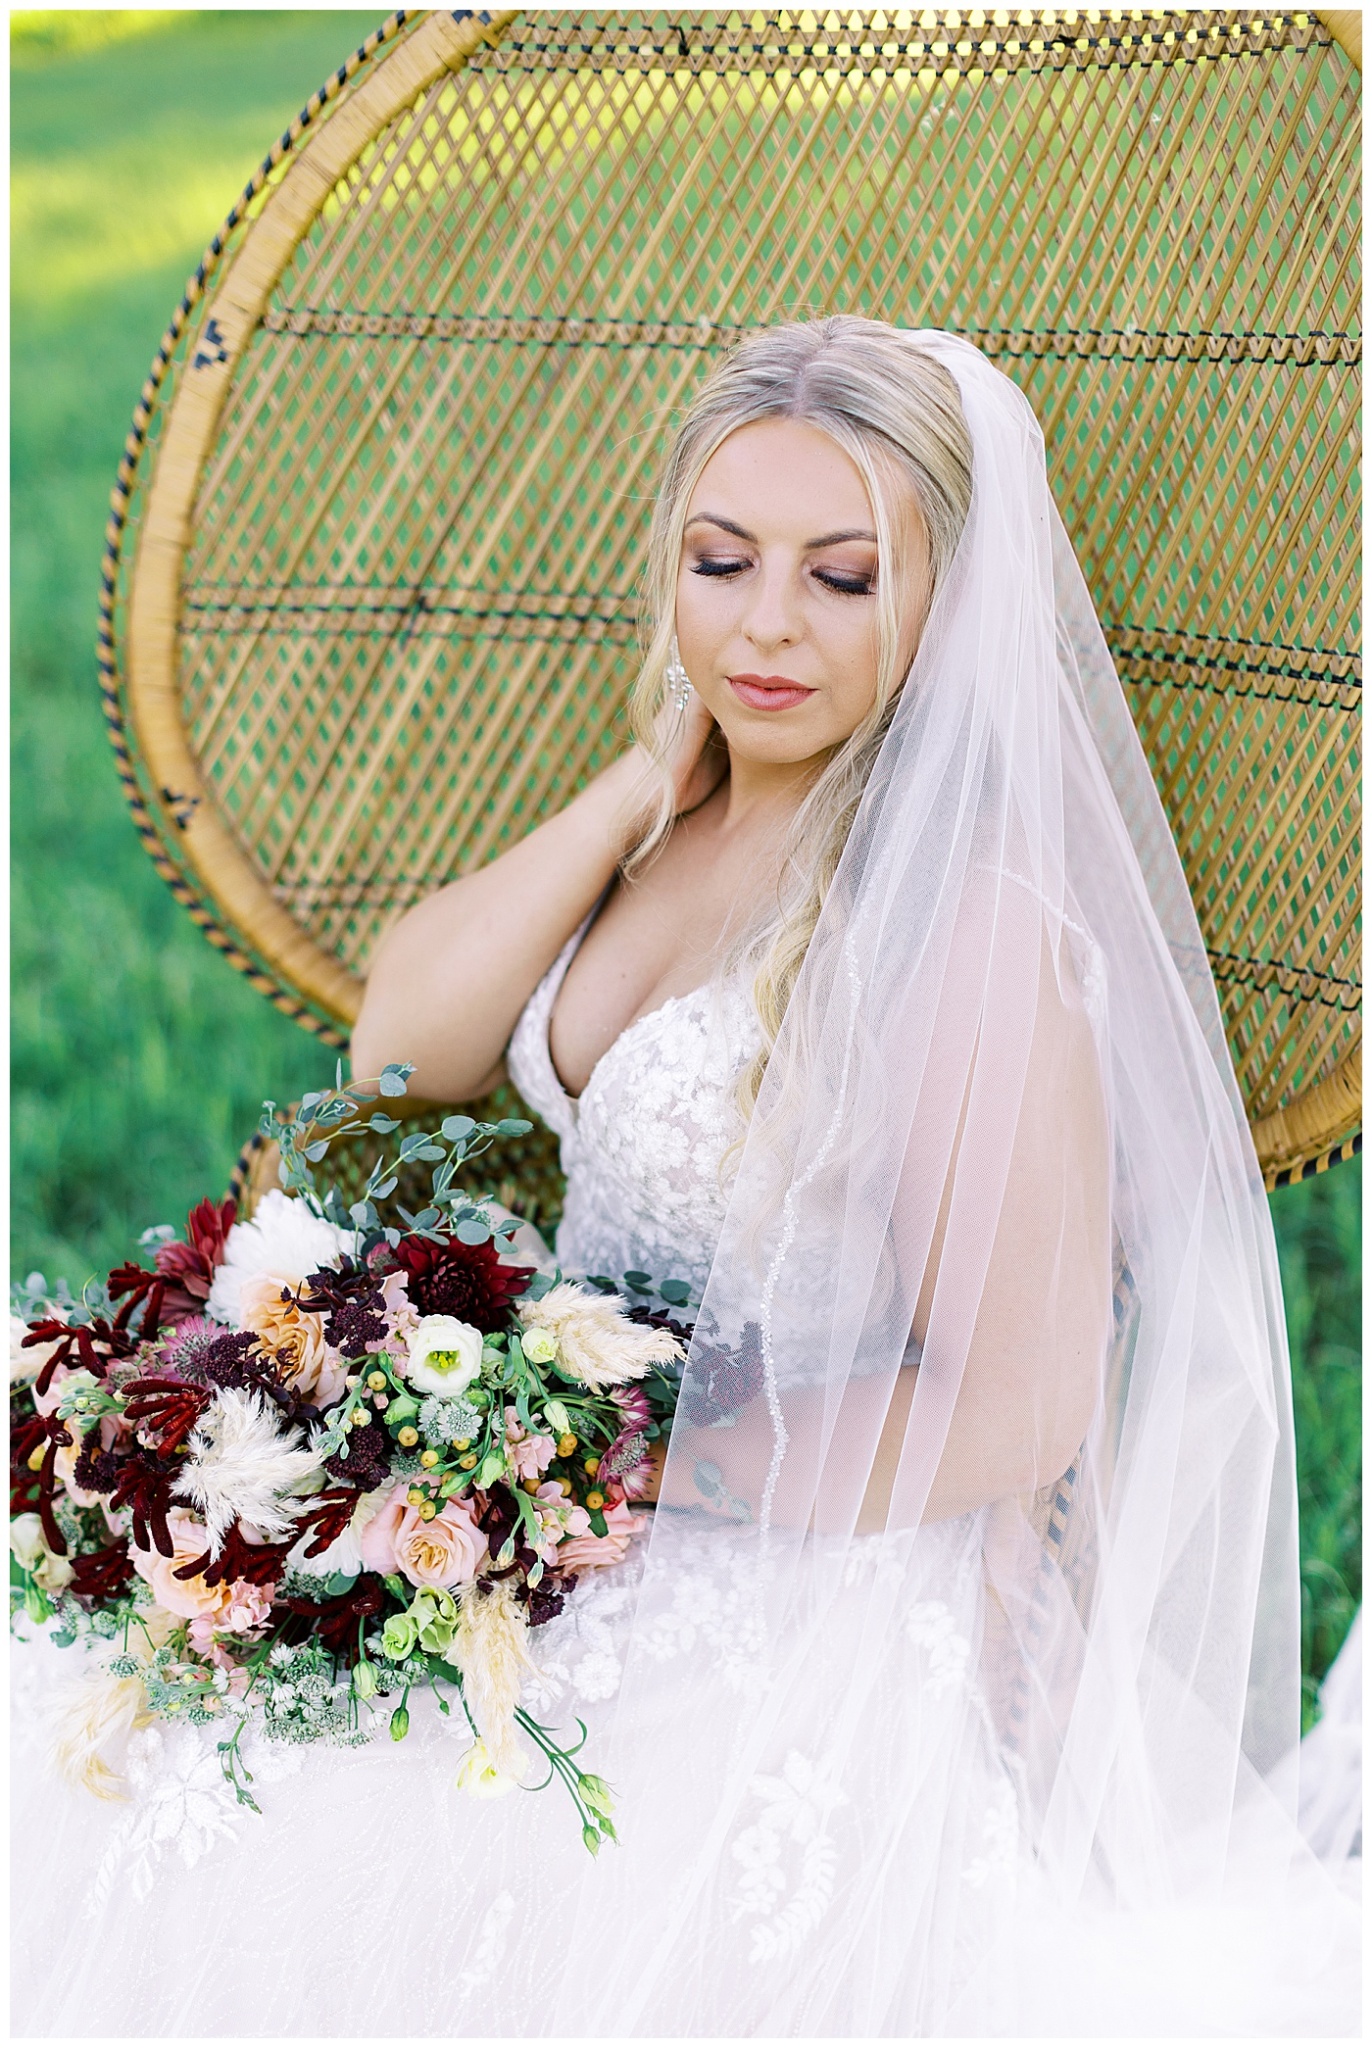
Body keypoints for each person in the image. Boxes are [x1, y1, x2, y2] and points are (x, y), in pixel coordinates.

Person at [12, 321, 1357, 2036]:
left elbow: (1020, 1403)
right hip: (547, 1491)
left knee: (334, 1845)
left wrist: (613, 1469)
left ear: (950, 606)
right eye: (722, 563)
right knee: (149, 1745)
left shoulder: (964, 925)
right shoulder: (678, 825)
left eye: (843, 578)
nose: (768, 624)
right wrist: (646, 779)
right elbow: (403, 1047)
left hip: (793, 1560)